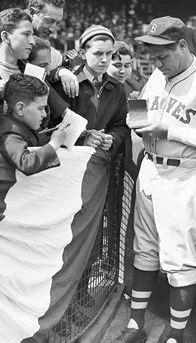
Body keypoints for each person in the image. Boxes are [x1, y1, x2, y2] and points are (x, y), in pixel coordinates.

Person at [115, 16, 196, 343]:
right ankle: (136, 325)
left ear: (182, 45)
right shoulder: (157, 74)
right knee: (145, 248)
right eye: (152, 56)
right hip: (152, 169)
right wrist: (136, 119)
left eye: (163, 55)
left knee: (179, 260)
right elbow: (140, 102)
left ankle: (175, 336)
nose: (157, 62)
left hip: (186, 174)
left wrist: (169, 130)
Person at [52, 24, 129, 309]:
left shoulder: (115, 88)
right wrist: (86, 135)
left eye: (110, 54)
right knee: (67, 234)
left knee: (90, 235)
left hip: (97, 171)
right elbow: (51, 124)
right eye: (99, 53)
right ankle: (56, 303)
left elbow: (121, 126)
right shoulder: (67, 82)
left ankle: (77, 298)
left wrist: (113, 139)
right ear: (83, 52)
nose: (106, 59)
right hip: (66, 170)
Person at [0, 8, 70, 145]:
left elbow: (43, 121)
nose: (33, 41)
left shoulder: (33, 71)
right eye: (26, 34)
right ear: (5, 36)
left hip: (25, 158)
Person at [0, 0, 79, 98]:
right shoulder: (10, 24)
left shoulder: (38, 38)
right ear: (32, 12)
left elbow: (49, 64)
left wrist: (60, 72)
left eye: (57, 23)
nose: (53, 29)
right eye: (49, 21)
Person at [0, 73, 69, 175]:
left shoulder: (30, 124)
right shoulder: (9, 133)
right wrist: (54, 144)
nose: (44, 114)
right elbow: (25, 163)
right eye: (40, 108)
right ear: (20, 109)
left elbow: (44, 141)